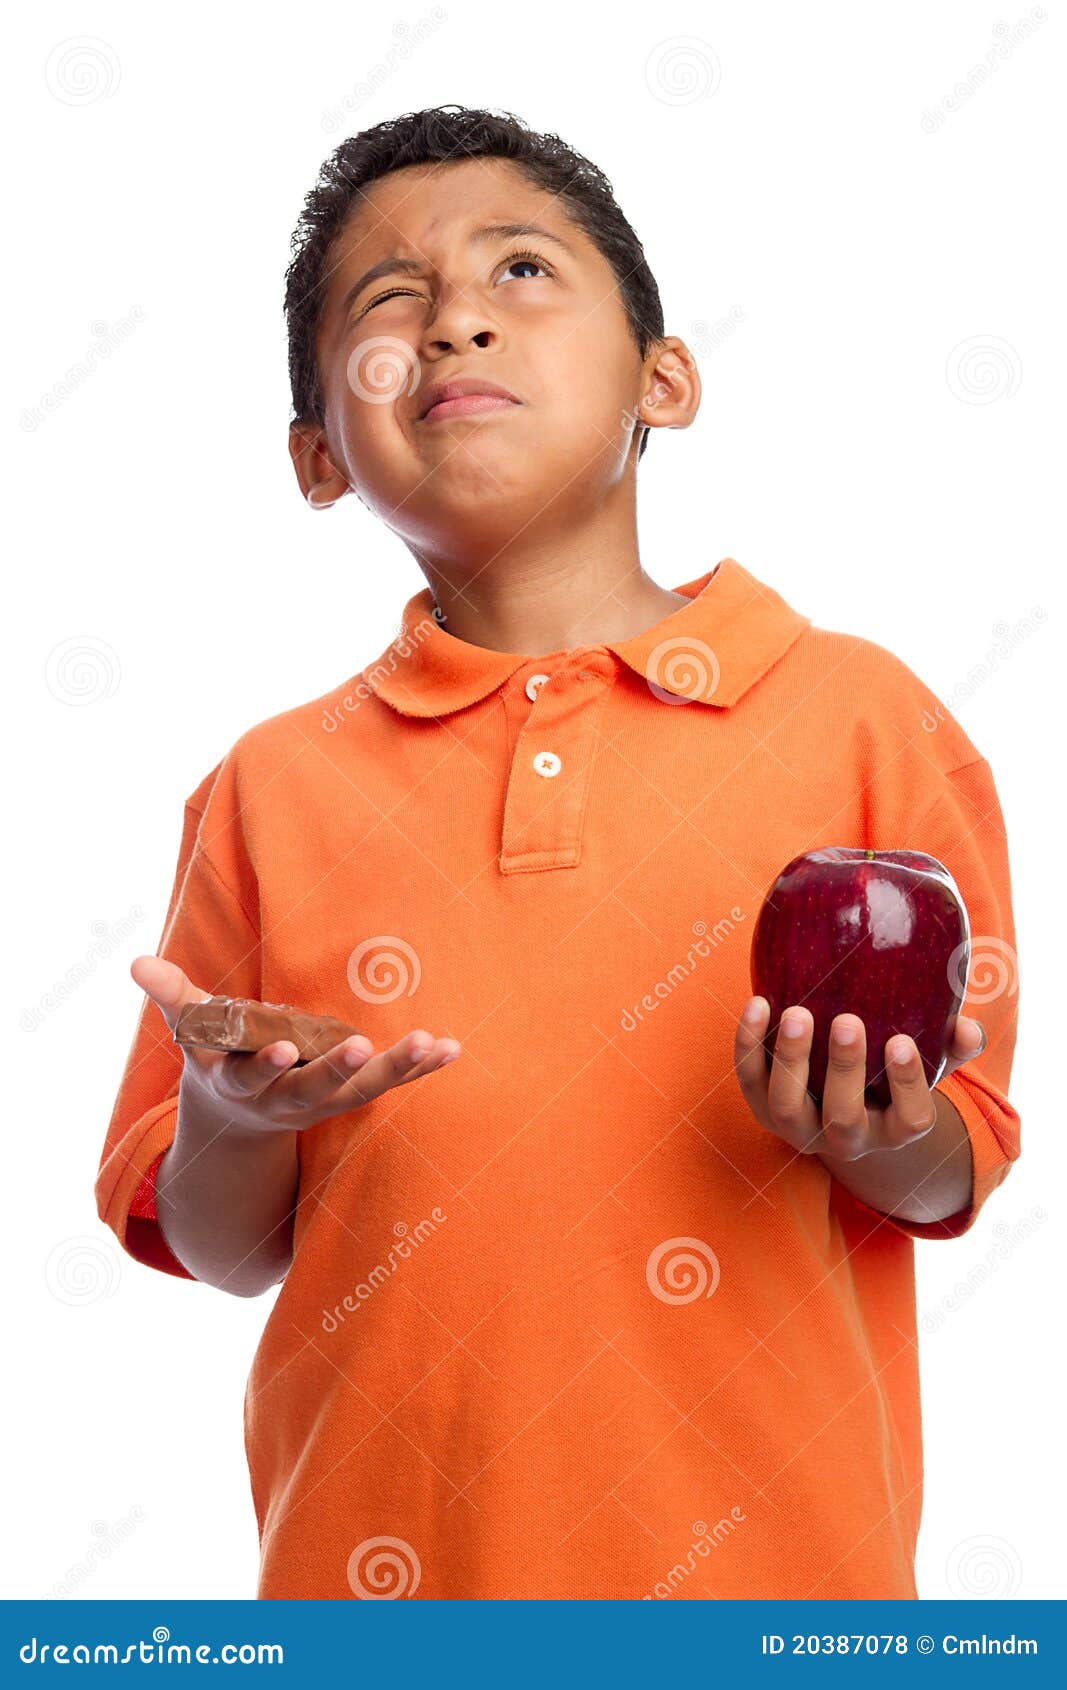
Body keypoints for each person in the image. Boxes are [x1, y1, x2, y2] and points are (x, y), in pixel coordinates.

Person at [95, 105, 1021, 1601]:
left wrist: (872, 1125)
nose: (453, 318)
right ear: (319, 456)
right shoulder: (270, 786)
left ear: (666, 377)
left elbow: (950, 1162)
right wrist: (233, 1114)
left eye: (519, 270)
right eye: (388, 303)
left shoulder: (867, 720)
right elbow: (218, 1243)